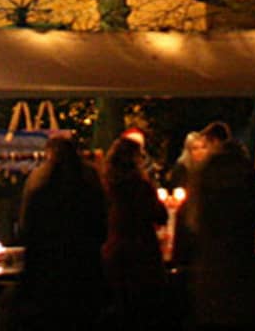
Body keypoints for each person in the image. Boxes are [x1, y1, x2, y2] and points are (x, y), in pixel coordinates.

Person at [176, 130, 255, 331]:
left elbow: (185, 223)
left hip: (208, 269)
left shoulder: (204, 175)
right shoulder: (245, 175)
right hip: (242, 264)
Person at [13, 134, 106, 331]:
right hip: (85, 268)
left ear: (48, 154)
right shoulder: (90, 179)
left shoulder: (38, 181)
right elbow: (102, 221)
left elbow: (26, 226)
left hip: (46, 269)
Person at [100, 135, 168, 328]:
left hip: (115, 253)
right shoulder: (140, 187)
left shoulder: (107, 186)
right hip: (142, 254)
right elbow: (160, 215)